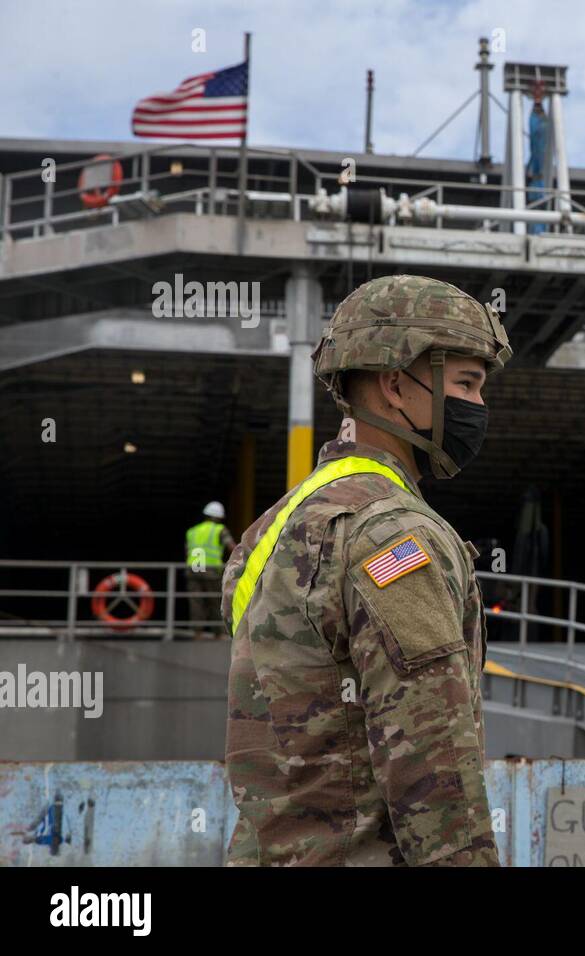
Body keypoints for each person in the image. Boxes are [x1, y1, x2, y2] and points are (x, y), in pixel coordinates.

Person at [221, 274, 511, 866]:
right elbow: (435, 770)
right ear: (396, 385)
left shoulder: (275, 526)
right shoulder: (395, 534)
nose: (478, 407)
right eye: (467, 383)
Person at [185, 501, 235, 639]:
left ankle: (197, 633)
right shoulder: (219, 529)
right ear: (218, 517)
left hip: (194, 569)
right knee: (215, 602)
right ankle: (218, 633)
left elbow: (188, 551)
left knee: (196, 602)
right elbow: (232, 547)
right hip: (211, 571)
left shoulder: (192, 531)